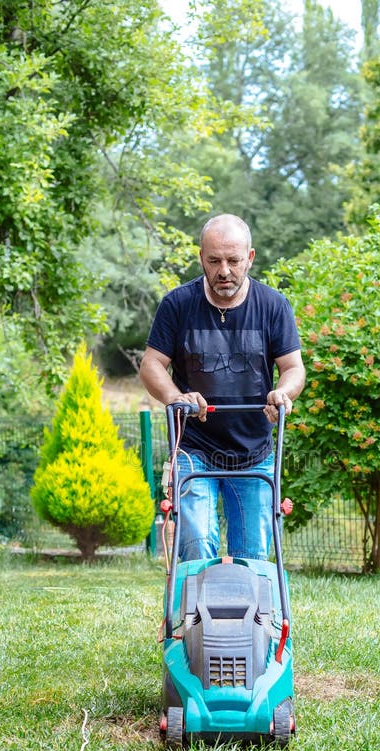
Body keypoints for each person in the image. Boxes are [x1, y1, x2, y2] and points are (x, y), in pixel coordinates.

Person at [140, 213, 305, 561]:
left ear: (250, 258)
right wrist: (175, 396)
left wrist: (283, 393)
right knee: (197, 541)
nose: (224, 271)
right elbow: (152, 364)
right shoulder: (177, 304)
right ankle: (196, 617)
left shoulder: (273, 306)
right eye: (214, 260)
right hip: (194, 450)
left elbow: (293, 369)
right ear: (201, 257)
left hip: (254, 453)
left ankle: (250, 618)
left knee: (254, 554)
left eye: (233, 260)